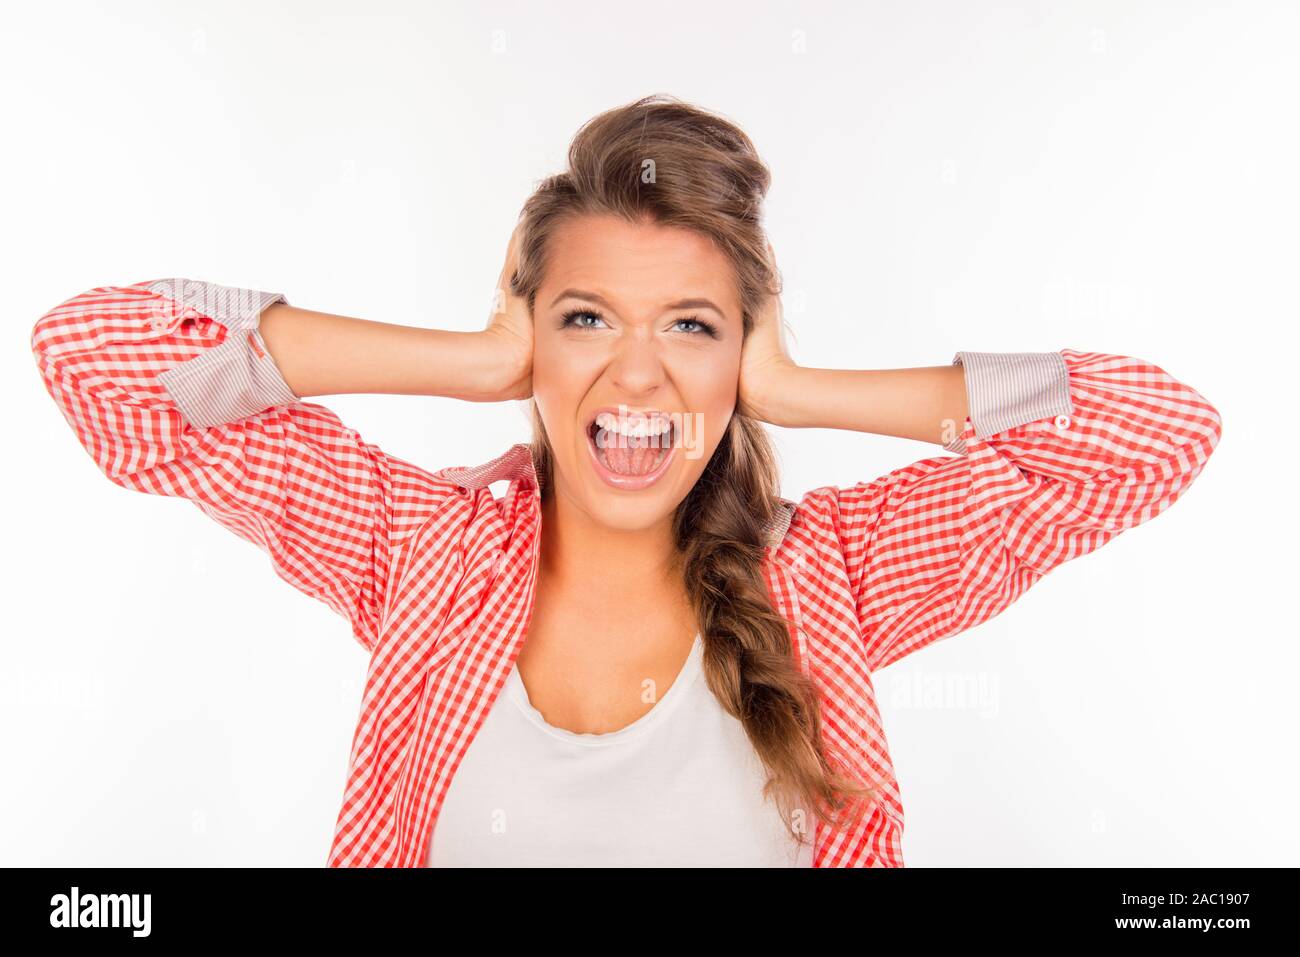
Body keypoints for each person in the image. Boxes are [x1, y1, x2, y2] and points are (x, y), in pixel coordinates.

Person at [29, 94, 1222, 867]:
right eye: (588, 316)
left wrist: (803, 390)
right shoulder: (417, 551)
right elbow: (96, 358)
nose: (639, 375)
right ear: (532, 332)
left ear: (743, 356)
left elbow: (1157, 433)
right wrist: (473, 359)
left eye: (693, 328)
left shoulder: (830, 579)